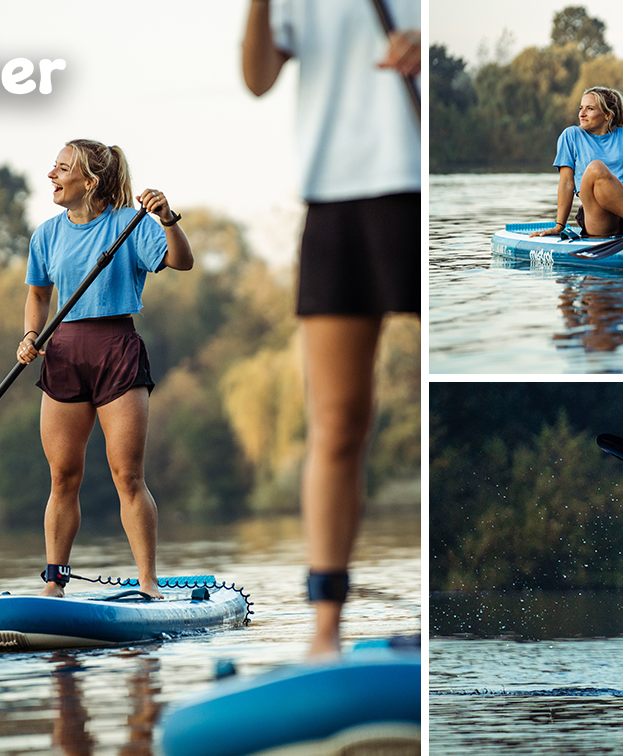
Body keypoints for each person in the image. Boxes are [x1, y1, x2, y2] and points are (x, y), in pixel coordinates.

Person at [242, 0, 420, 657]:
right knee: (338, 419)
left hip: (419, 181)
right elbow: (258, 77)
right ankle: (325, 631)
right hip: (334, 194)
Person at [17, 138, 194, 600]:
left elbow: (182, 261)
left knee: (127, 476)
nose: (51, 176)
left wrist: (167, 218)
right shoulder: (46, 235)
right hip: (64, 354)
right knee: (62, 477)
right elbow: (38, 295)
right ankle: (54, 584)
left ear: (89, 180)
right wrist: (30, 335)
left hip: (116, 350)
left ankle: (149, 584)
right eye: (52, 168)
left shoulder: (129, 224)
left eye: (60, 169)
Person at [530, 86, 623, 239]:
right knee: (596, 167)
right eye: (581, 108)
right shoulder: (570, 135)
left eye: (589, 109)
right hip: (599, 214)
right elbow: (567, 183)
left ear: (608, 115)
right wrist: (559, 226)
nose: (582, 113)